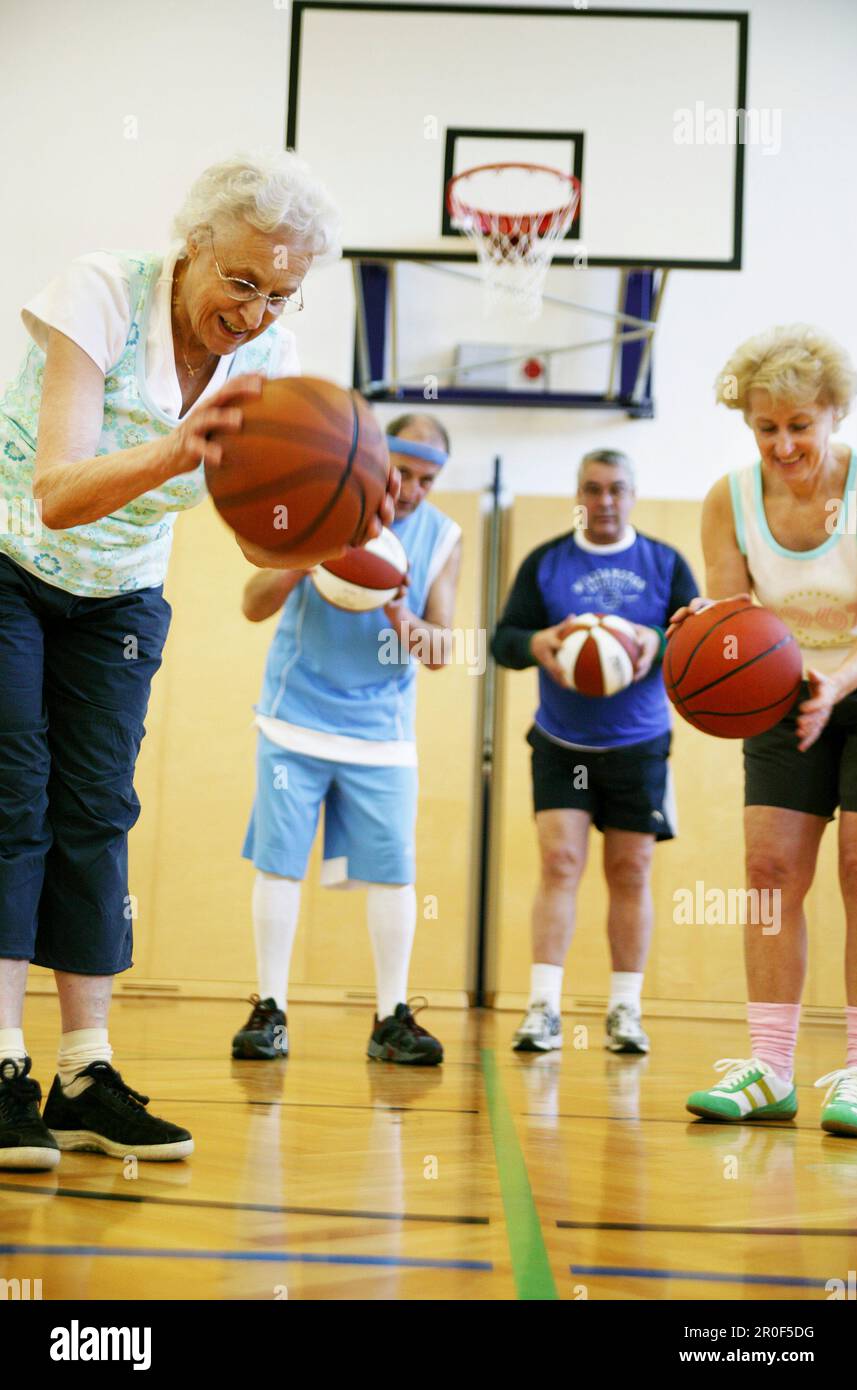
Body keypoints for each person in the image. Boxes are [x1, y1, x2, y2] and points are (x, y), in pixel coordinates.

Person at [0, 152, 397, 1172]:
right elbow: (56, 491)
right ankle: (1, 1064)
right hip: (11, 566)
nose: (258, 309)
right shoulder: (100, 293)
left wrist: (347, 521)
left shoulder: (270, 365)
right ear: (192, 251)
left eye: (282, 293)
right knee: (15, 799)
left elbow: (264, 538)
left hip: (121, 595)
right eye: (242, 281)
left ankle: (82, 1072)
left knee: (98, 809)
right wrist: (181, 448)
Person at [671, 325, 857, 1137]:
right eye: (766, 426)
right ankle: (772, 1072)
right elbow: (737, 614)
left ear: (833, 416)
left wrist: (841, 681)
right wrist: (701, 627)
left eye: (799, 425)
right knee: (767, 870)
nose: (784, 443)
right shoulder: (730, 499)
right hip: (785, 699)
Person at [232, 413, 461, 1065]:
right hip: (293, 716)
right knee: (279, 860)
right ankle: (270, 1010)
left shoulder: (442, 536)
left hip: (381, 734)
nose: (413, 490)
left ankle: (391, 1017)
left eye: (427, 479)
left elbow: (443, 648)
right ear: (378, 460)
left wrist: (402, 614)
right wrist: (302, 560)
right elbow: (251, 603)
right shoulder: (319, 505)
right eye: (403, 473)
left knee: (393, 873)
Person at [492, 449, 698, 1054]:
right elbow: (504, 640)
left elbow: (696, 638)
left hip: (638, 743)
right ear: (577, 496)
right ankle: (543, 1009)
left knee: (631, 870)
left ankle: (625, 1011)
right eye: (593, 489)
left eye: (616, 489)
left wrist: (651, 641)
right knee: (560, 864)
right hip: (562, 743)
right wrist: (539, 641)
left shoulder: (664, 562)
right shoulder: (546, 562)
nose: (605, 501)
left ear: (632, 494)